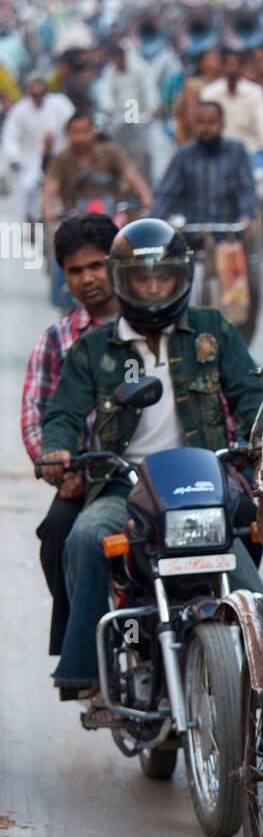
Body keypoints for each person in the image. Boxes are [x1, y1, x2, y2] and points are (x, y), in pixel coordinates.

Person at [38, 218, 263, 716]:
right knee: (84, 537)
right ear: (124, 282)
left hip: (202, 480)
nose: (153, 288)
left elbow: (250, 395)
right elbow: (62, 413)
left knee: (252, 582)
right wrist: (57, 450)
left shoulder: (212, 331)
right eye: (143, 280)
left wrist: (261, 439)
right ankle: (90, 673)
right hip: (126, 485)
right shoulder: (93, 349)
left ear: (181, 277)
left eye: (162, 277)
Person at [22, 214, 119, 661]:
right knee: (59, 534)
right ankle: (83, 655)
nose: (88, 279)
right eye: (75, 270)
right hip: (85, 477)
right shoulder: (59, 340)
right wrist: (59, 466)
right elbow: (36, 414)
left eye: (97, 265)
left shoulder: (155, 324)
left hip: (155, 473)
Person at [152, 101, 256, 226]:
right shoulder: (184, 154)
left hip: (229, 232)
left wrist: (245, 216)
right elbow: (166, 192)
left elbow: (246, 189)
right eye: (200, 122)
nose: (206, 128)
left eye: (211, 122)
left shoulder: (236, 151)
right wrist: (153, 222)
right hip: (192, 234)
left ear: (222, 124)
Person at [42, 111, 152, 222]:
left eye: (85, 131)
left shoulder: (111, 152)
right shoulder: (62, 160)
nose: (80, 138)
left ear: (94, 131)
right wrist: (48, 210)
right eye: (75, 132)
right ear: (68, 134)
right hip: (77, 218)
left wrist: (146, 199)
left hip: (113, 216)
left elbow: (131, 174)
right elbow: (51, 186)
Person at [0, 74, 74, 219]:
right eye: (34, 94)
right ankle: (30, 219)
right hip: (32, 159)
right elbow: (10, 135)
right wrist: (15, 157)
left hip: (61, 156)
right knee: (28, 187)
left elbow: (72, 123)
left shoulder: (59, 104)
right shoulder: (20, 110)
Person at [94, 39, 159, 182]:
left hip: (139, 117)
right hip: (119, 118)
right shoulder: (110, 72)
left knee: (143, 152)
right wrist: (108, 109)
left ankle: (147, 182)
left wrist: (152, 108)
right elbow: (106, 92)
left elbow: (149, 89)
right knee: (119, 152)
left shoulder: (140, 69)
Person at [202, 48, 263, 163]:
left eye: (235, 64)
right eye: (228, 64)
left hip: (251, 151)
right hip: (219, 153)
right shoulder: (209, 93)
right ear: (222, 67)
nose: (232, 69)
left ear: (241, 68)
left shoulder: (255, 92)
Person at [173, 47, 222, 145]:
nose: (214, 61)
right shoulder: (193, 85)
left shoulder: (223, 84)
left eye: (216, 57)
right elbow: (190, 115)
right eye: (208, 58)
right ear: (201, 64)